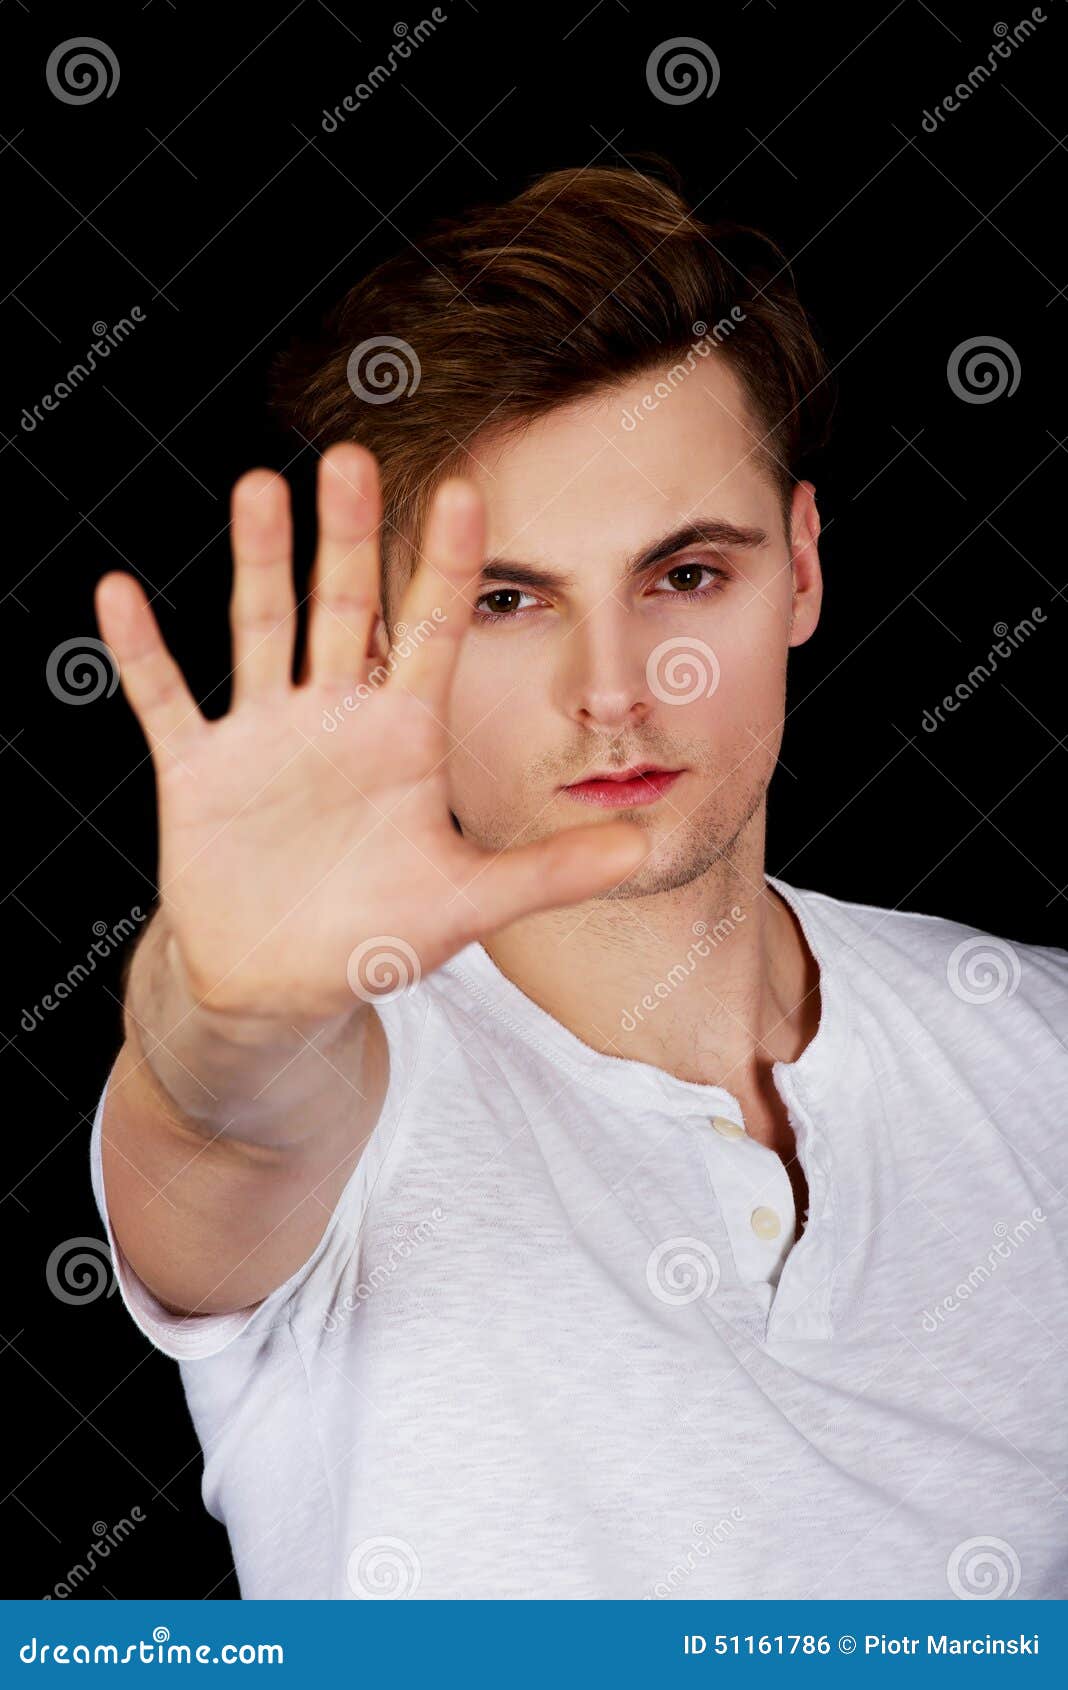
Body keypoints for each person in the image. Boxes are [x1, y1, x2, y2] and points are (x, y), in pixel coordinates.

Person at [88, 163, 1068, 1601]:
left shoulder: (1039, 1045)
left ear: (801, 569)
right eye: (506, 600)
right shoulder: (337, 1098)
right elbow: (217, 1127)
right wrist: (226, 1009)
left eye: (686, 577)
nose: (612, 690)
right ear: (386, 648)